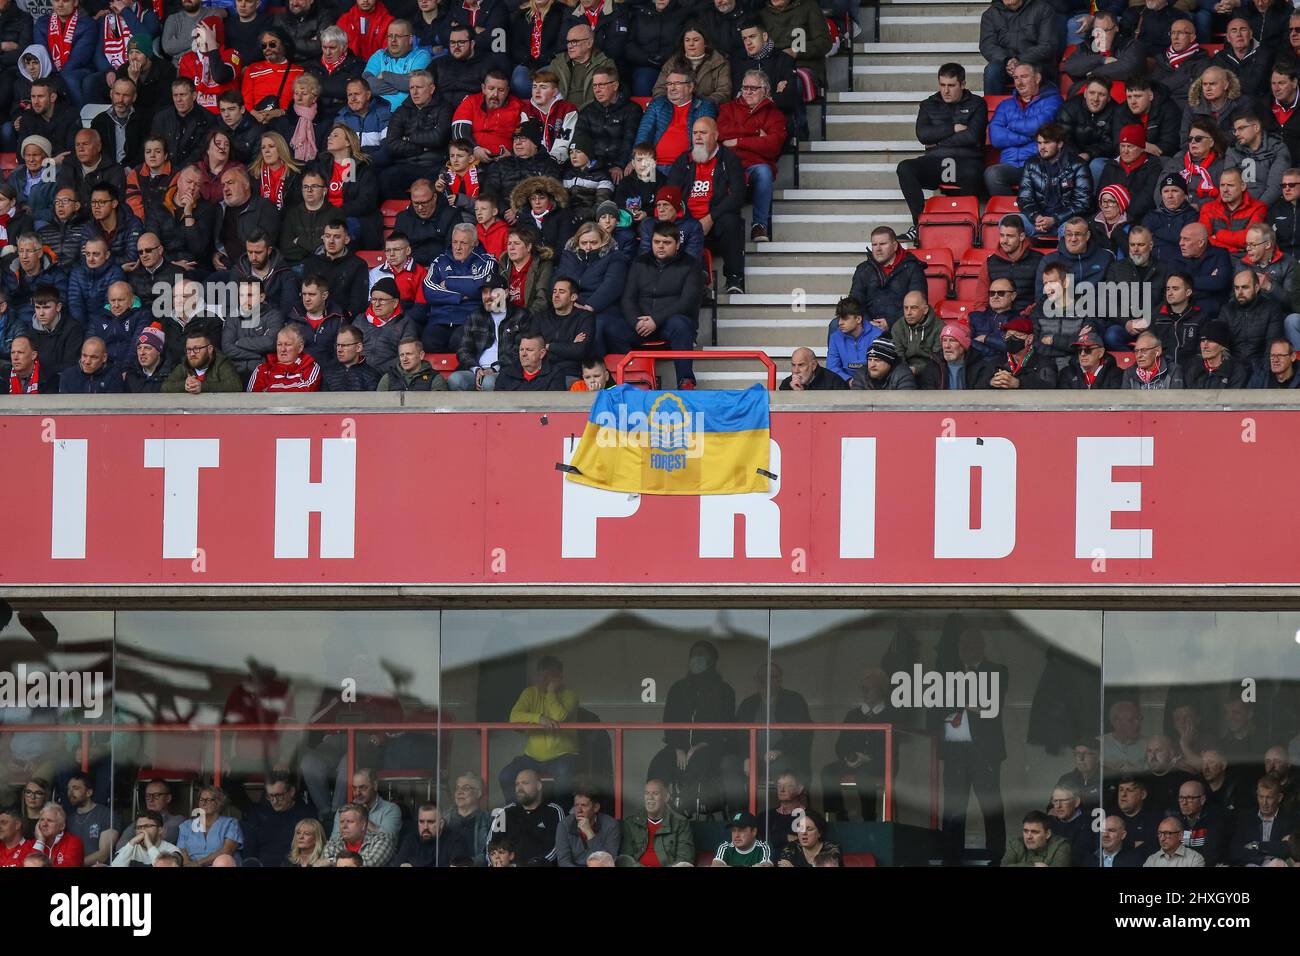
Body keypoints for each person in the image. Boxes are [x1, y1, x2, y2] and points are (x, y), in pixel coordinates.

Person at [931, 627, 1008, 866]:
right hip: (956, 750)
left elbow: (991, 706)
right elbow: (936, 706)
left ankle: (997, 857)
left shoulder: (997, 670)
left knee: (990, 805)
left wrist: (963, 701)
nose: (965, 650)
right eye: (962, 645)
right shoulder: (948, 674)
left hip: (984, 752)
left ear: (981, 647)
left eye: (970, 645)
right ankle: (950, 859)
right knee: (954, 807)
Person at [897, 63, 988, 243]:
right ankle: (920, 224)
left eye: (951, 85)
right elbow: (922, 135)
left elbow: (972, 136)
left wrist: (937, 140)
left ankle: (968, 227)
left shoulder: (977, 103)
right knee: (905, 168)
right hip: (935, 161)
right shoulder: (928, 104)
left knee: (972, 173)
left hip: (965, 160)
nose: (946, 90)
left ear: (962, 84)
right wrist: (953, 128)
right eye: (942, 85)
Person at [611, 222, 703, 387]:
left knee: (680, 324)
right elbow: (627, 298)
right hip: (641, 325)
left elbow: (687, 301)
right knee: (610, 327)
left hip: (669, 324)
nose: (661, 246)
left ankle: (685, 381)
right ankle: (633, 379)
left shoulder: (691, 264)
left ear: (678, 244)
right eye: (656, 242)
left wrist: (656, 319)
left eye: (666, 242)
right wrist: (636, 321)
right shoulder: (639, 262)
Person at [666, 115, 746, 292]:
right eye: (695, 133)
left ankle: (734, 279)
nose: (698, 137)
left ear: (715, 136)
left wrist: (711, 217)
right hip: (686, 219)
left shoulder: (729, 160)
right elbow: (670, 193)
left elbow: (737, 196)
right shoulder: (684, 160)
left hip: (715, 220)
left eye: (703, 132)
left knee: (732, 222)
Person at [496, 656, 581, 803]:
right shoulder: (530, 693)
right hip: (532, 757)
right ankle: (515, 813)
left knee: (564, 775)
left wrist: (551, 692)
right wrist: (539, 718)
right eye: (541, 675)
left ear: (560, 677)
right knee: (506, 775)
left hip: (563, 755)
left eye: (550, 676)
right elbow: (514, 716)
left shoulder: (570, 695)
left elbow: (559, 716)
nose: (544, 680)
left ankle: (561, 818)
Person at [716, 70, 784, 243]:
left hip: (756, 165)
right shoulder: (728, 108)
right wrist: (754, 133)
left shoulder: (774, 114)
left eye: (753, 88)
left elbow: (773, 146)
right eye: (745, 87)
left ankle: (759, 225)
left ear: (766, 90)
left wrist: (738, 142)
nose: (747, 92)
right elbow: (720, 133)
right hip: (728, 163)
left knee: (764, 173)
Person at [986, 62, 1064, 196]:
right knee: (992, 174)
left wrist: (1010, 126)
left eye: (1024, 76)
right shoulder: (1006, 105)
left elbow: (1039, 126)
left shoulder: (1053, 100)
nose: (1019, 82)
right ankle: (1010, 213)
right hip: (1009, 164)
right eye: (1016, 78)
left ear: (1037, 78)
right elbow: (996, 137)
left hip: (1039, 163)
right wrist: (1031, 136)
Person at [848, 226, 927, 329]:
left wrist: (890, 323)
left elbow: (918, 304)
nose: (878, 249)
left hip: (902, 327)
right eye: (874, 245)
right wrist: (868, 324)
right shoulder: (863, 269)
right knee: (837, 324)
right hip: (866, 327)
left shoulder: (913, 268)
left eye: (883, 244)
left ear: (895, 246)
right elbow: (855, 302)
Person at [979, 0, 1056, 96]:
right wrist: (1007, 60)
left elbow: (1047, 45)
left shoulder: (1043, 8)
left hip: (1036, 62)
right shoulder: (990, 15)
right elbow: (987, 45)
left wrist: (1020, 60)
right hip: (1006, 64)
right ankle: (993, 109)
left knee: (1033, 70)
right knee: (992, 70)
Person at [491, 768, 565, 866]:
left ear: (538, 786)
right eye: (517, 784)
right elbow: (492, 845)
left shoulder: (553, 811)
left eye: (525, 783)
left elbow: (558, 848)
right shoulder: (505, 812)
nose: (519, 788)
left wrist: (534, 864)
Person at [616, 778, 694, 867]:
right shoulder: (631, 823)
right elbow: (625, 859)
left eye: (655, 793)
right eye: (647, 793)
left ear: (666, 797)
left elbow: (684, 859)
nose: (650, 797)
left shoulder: (680, 823)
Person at [1219, 267, 1284, 367]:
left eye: (1245, 287)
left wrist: (1262, 373)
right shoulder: (1227, 310)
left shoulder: (1272, 309)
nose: (1240, 292)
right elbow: (1222, 347)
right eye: (1237, 288)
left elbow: (1272, 348)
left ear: (1257, 288)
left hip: (1261, 368)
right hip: (1234, 370)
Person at [1226, 111, 1291, 208]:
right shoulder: (1233, 151)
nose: (1236, 133)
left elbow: (1275, 187)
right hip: (1238, 207)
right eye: (1235, 130)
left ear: (1256, 127)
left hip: (1269, 207)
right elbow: (1229, 184)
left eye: (1241, 128)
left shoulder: (1277, 148)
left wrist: (1257, 209)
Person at [1230, 775, 1299, 865]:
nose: (1264, 803)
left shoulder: (1289, 820)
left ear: (1279, 798)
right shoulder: (1246, 818)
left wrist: (1256, 845)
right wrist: (1263, 858)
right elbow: (1235, 851)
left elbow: (1287, 850)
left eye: (1269, 797)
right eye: (1261, 797)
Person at [1200, 167, 1268, 255]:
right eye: (1222, 185)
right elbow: (1204, 241)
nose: (1225, 190)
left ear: (1243, 186)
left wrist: (1219, 235)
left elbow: (1251, 240)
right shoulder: (1208, 208)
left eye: (1230, 185)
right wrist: (1233, 249)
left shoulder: (1258, 207)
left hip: (1247, 260)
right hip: (1216, 258)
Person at [1172, 222, 1233, 317]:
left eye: (1186, 239)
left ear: (1200, 243)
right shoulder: (1176, 257)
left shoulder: (1220, 254)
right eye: (1181, 238)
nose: (1181, 243)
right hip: (1184, 311)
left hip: (1213, 312)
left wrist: (1186, 282)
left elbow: (1220, 283)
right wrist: (1208, 281)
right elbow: (1174, 286)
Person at [177, 786, 244, 866]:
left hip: (220, 864)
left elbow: (227, 851)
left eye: (208, 800)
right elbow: (182, 853)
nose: (204, 803)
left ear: (219, 803)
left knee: (223, 860)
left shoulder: (231, 824)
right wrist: (189, 865)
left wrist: (198, 863)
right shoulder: (186, 826)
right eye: (201, 800)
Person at [161, 330, 244, 394]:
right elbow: (165, 387)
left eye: (197, 349)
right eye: (189, 349)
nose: (192, 354)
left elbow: (235, 386)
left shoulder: (221, 362)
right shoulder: (185, 364)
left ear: (210, 349)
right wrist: (185, 385)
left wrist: (203, 386)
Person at [555, 787, 621, 867]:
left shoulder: (611, 825)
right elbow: (563, 861)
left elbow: (608, 862)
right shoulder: (564, 825)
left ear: (596, 807)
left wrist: (590, 834)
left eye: (584, 805)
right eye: (576, 805)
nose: (579, 810)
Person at [63, 772, 118, 866]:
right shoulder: (69, 819)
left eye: (75, 788)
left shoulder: (106, 815)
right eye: (68, 789)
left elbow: (103, 855)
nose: (70, 793)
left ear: (89, 792)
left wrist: (75, 865)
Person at [825, 294, 880, 384]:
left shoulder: (877, 335)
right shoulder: (835, 337)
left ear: (858, 319)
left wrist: (861, 382)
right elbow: (832, 367)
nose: (839, 323)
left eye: (845, 319)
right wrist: (848, 380)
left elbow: (879, 367)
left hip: (872, 384)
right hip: (844, 384)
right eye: (839, 318)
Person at [323, 802, 396, 867]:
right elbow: (323, 863)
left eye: (350, 821)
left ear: (363, 825)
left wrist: (330, 861)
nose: (344, 826)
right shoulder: (334, 843)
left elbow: (370, 864)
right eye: (341, 822)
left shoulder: (382, 840)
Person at [494, 330, 568, 390]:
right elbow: (497, 404)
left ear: (542, 353)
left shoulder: (555, 374)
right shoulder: (506, 373)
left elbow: (554, 405)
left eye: (529, 350)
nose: (524, 354)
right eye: (521, 349)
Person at [1188, 318, 1253, 387]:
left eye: (1211, 341)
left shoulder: (1236, 371)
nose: (1205, 346)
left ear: (1222, 346)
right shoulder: (1193, 368)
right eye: (1203, 340)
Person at [934, 320, 996, 390]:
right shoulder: (933, 366)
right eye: (944, 340)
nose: (947, 346)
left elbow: (979, 396)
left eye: (952, 340)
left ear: (964, 345)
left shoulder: (981, 368)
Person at [1057, 326, 1123, 389]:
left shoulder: (1115, 373)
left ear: (1100, 353)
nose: (1082, 354)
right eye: (1080, 350)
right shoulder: (1067, 373)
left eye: (1088, 350)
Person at [322, 323, 383, 391]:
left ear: (358, 347)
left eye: (344, 345)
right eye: (338, 345)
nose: (339, 350)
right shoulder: (328, 373)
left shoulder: (372, 376)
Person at [1001, 810, 1071, 867]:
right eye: (1025, 831)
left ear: (1047, 834)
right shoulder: (1015, 844)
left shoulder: (1061, 846)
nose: (1028, 836)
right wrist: (1033, 865)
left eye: (1034, 832)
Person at [111, 810, 180, 867]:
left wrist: (149, 845)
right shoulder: (129, 848)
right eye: (139, 827)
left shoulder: (172, 850)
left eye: (147, 826)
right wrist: (131, 843)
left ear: (160, 830)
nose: (142, 831)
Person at [59, 336, 123, 394]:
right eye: (84, 355)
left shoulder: (113, 375)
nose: (87, 362)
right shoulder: (68, 375)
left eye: (93, 357)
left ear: (104, 358)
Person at [853, 337, 918, 390]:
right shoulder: (861, 374)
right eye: (870, 360)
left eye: (877, 360)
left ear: (889, 362)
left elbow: (905, 403)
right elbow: (856, 403)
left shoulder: (903, 375)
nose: (872, 365)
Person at [778, 346, 848, 390]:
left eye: (801, 365)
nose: (796, 370)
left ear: (813, 365)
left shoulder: (834, 383)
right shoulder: (786, 384)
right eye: (793, 365)